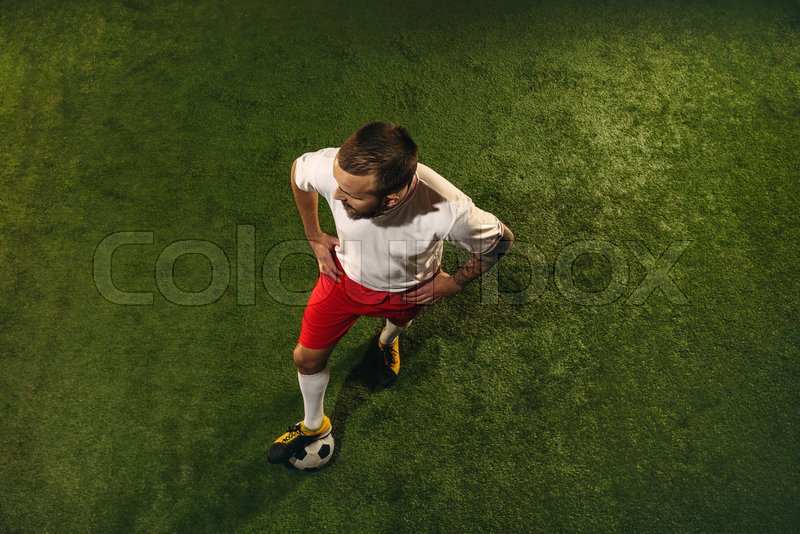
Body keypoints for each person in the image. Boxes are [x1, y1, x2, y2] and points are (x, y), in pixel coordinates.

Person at [267, 121, 515, 464]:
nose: (336, 195)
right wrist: (314, 234)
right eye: (338, 184)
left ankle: (386, 342)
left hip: (409, 291)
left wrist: (454, 282)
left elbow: (500, 241)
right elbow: (299, 172)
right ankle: (314, 425)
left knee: (397, 324)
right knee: (305, 358)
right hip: (341, 281)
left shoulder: (448, 209)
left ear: (390, 199)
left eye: (352, 195)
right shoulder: (334, 170)